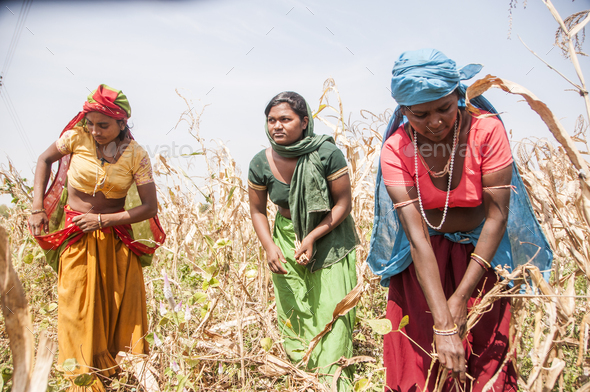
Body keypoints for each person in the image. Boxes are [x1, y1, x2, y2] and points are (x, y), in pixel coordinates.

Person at [367, 49, 552, 391]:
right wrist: (442, 320)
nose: (435, 122)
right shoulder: (396, 148)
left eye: (445, 108)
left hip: (480, 257)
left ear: (460, 97)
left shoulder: (486, 131)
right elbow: (417, 236)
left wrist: (461, 297)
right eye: (420, 115)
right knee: (420, 364)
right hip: (422, 267)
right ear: (404, 111)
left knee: (485, 362)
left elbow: (497, 216)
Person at [28, 85, 166, 391]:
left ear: (121, 123)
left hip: (116, 239)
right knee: (77, 306)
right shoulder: (76, 138)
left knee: (120, 308)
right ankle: (81, 379)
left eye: (102, 125)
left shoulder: (137, 155)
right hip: (76, 235)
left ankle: (118, 374)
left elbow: (148, 207)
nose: (94, 130)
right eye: (90, 123)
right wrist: (37, 207)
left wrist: (103, 220)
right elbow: (43, 160)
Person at [248, 91, 359, 390]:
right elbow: (257, 210)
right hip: (285, 234)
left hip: (329, 235)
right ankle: (304, 371)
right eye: (271, 120)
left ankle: (332, 377)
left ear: (305, 121)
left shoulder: (325, 153)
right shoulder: (260, 162)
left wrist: (312, 236)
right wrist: (270, 247)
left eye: (286, 119)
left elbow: (343, 204)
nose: (277, 126)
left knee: (331, 307)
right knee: (294, 304)